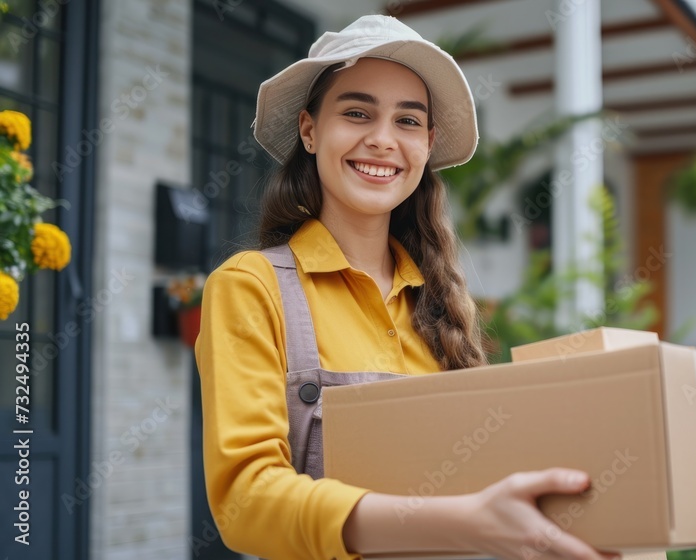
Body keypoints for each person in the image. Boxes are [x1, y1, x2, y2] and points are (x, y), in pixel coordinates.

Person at [194, 14, 620, 560]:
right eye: (356, 113)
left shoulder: (443, 303)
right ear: (309, 130)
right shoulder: (251, 287)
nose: (382, 140)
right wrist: (464, 524)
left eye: (408, 121)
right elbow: (245, 502)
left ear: (427, 143)